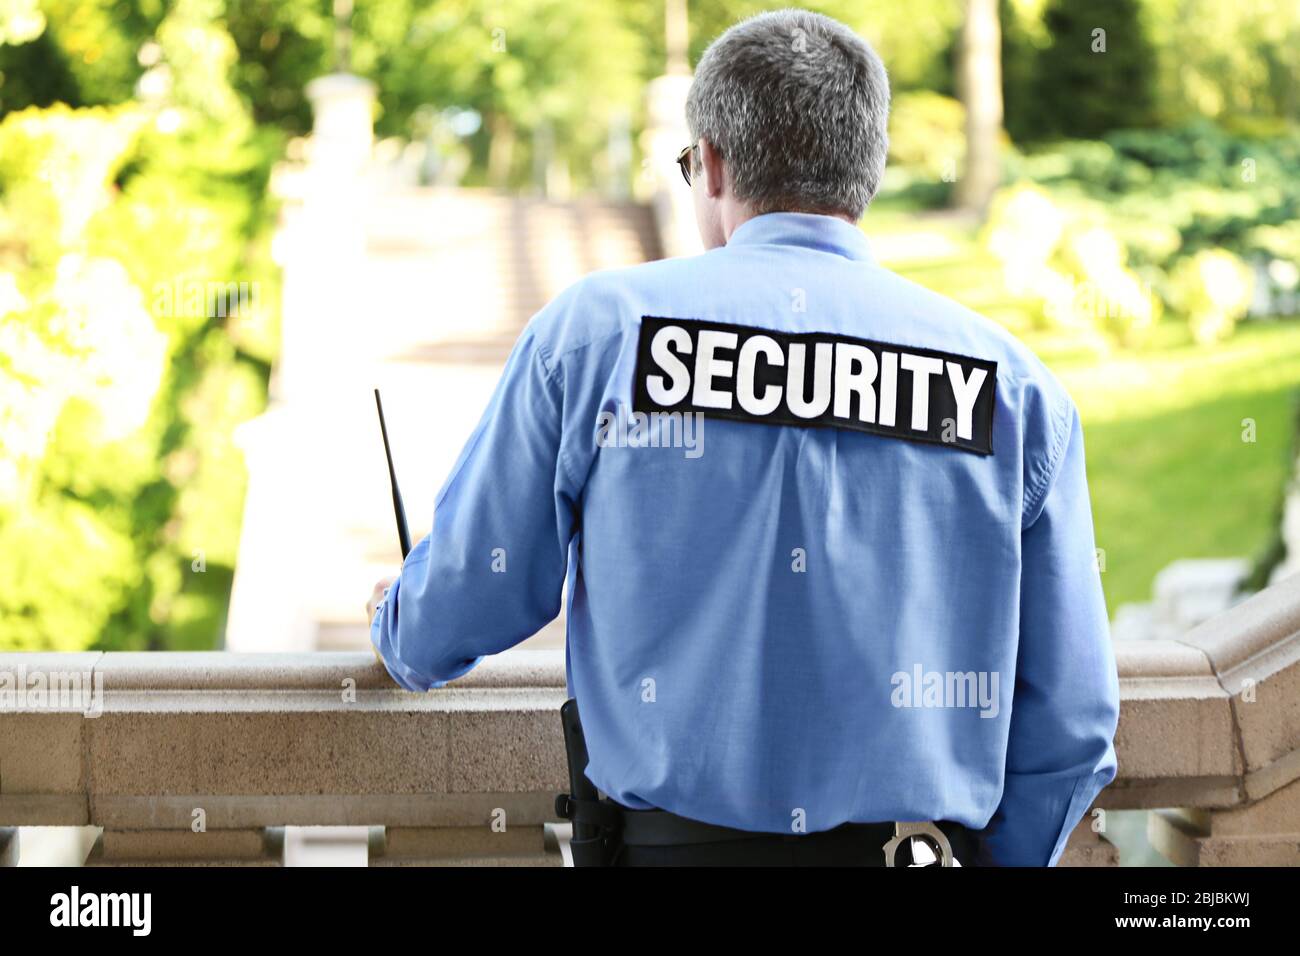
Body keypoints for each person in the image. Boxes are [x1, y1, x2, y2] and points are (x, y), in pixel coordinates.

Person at [368, 8, 1119, 867]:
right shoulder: (1016, 391)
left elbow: (471, 596)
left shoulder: (597, 336)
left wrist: (399, 624)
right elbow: (1073, 723)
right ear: (865, 171)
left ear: (714, 163)